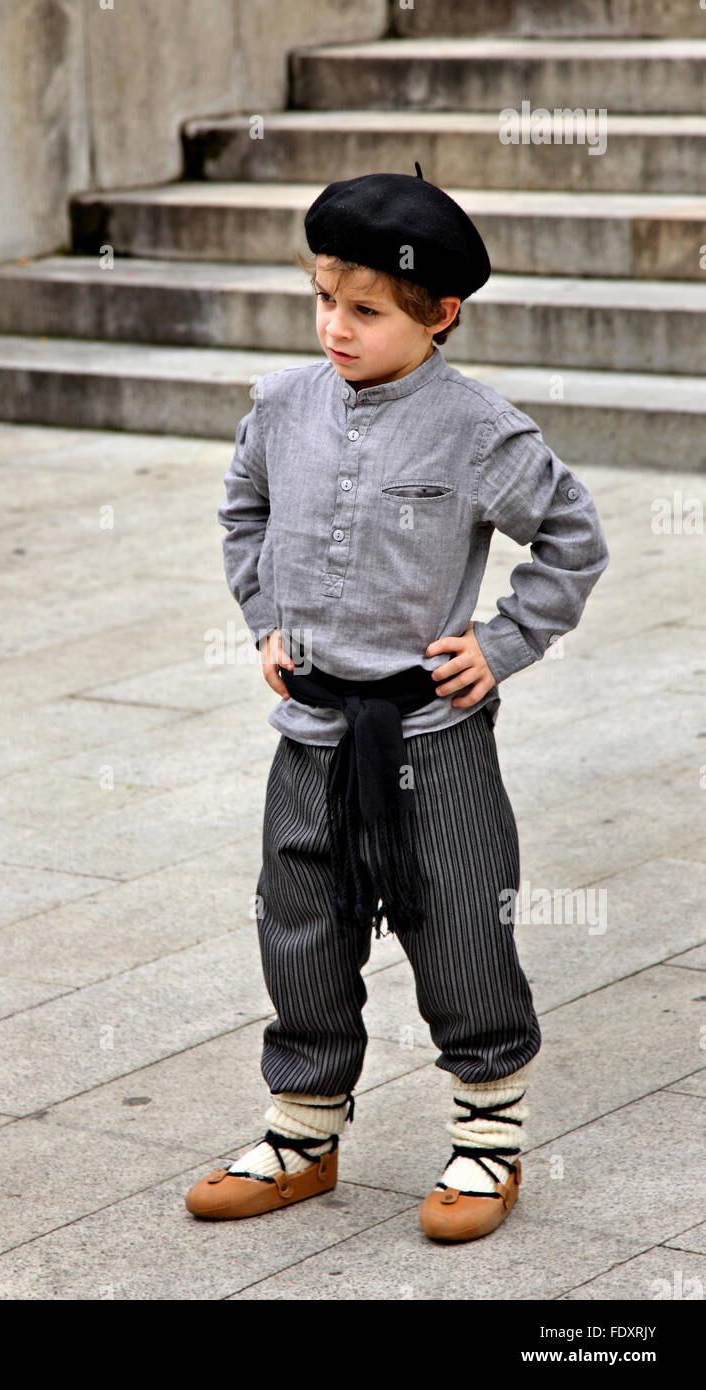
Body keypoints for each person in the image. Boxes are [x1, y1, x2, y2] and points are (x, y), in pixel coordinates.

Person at [185, 167, 610, 1242]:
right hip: (312, 727)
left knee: (461, 921)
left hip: (430, 732)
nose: (335, 326)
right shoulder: (282, 405)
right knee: (299, 924)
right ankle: (302, 1131)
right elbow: (243, 507)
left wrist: (504, 642)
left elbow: (572, 538)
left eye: (365, 309)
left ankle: (487, 1136)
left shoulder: (478, 430)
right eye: (323, 298)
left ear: (439, 315)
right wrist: (265, 618)